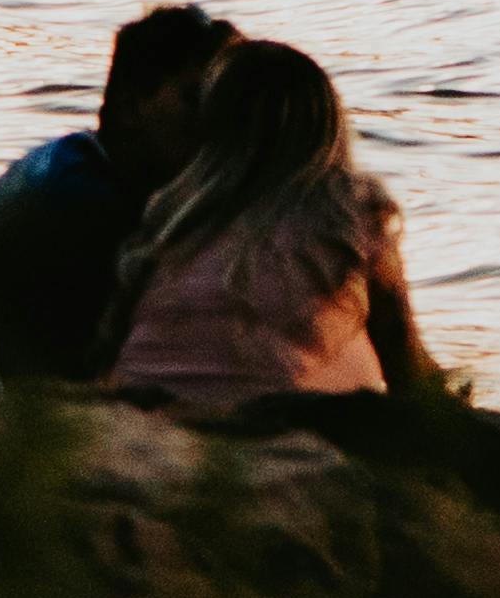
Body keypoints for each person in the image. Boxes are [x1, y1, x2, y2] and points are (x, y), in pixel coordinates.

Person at [101, 38, 434, 423]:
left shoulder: (174, 213)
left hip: (140, 420)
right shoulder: (351, 212)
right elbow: (410, 372)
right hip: (262, 428)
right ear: (329, 125)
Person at [0, 2, 237, 380]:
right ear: (130, 107)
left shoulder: (77, 163)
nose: (215, 122)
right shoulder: (86, 211)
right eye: (194, 99)